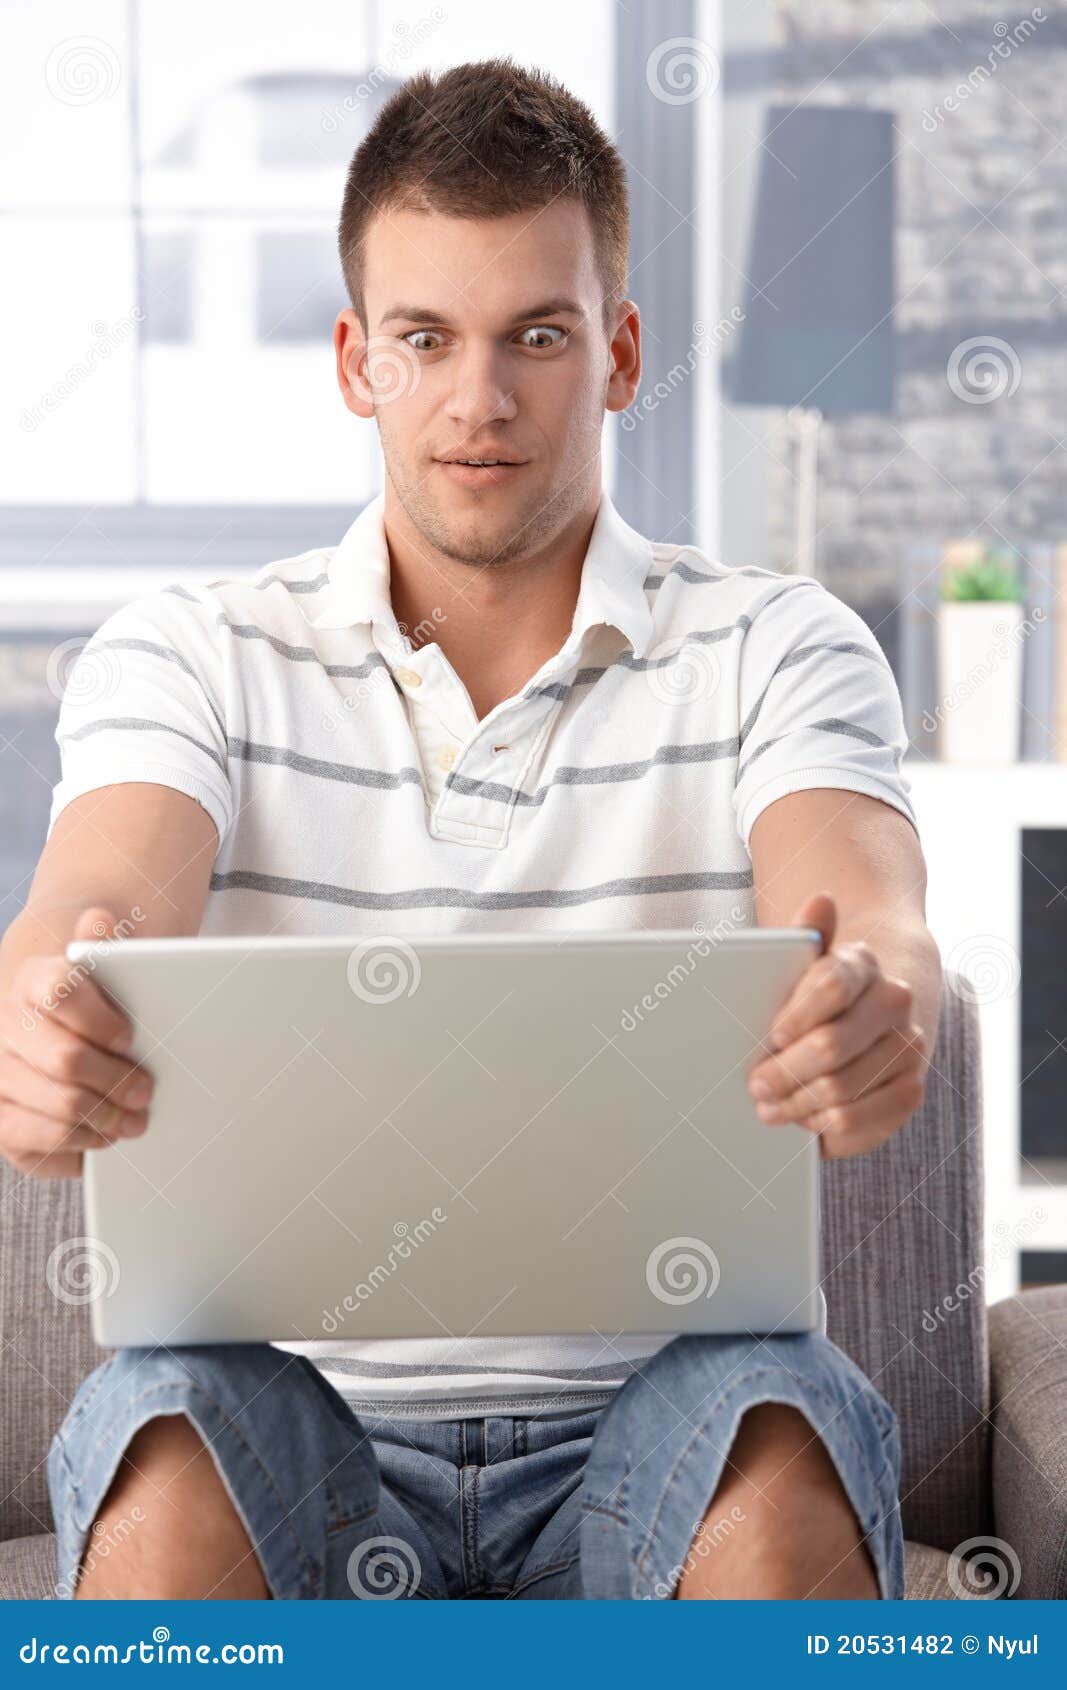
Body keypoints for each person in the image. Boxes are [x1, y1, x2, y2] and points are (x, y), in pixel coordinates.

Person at [0, 58, 940, 1600]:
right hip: (287, 1418)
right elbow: (89, 901)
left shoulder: (784, 643)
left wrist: (881, 1000)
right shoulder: (190, 651)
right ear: (358, 361)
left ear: (623, 352)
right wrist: (36, 1019)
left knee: (774, 1469)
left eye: (538, 338)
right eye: (427, 340)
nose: (479, 400)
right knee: (168, 1457)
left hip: (673, 1416)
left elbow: (867, 913)